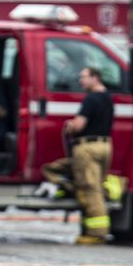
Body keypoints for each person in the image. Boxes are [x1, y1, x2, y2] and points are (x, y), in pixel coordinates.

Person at [38, 66, 114, 244]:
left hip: (87, 149)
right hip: (105, 146)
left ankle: (96, 233)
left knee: (89, 189)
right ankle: (92, 229)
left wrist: (70, 125)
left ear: (95, 78)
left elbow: (79, 125)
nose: (81, 81)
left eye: (84, 77)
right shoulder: (107, 98)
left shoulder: (91, 99)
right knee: (97, 187)